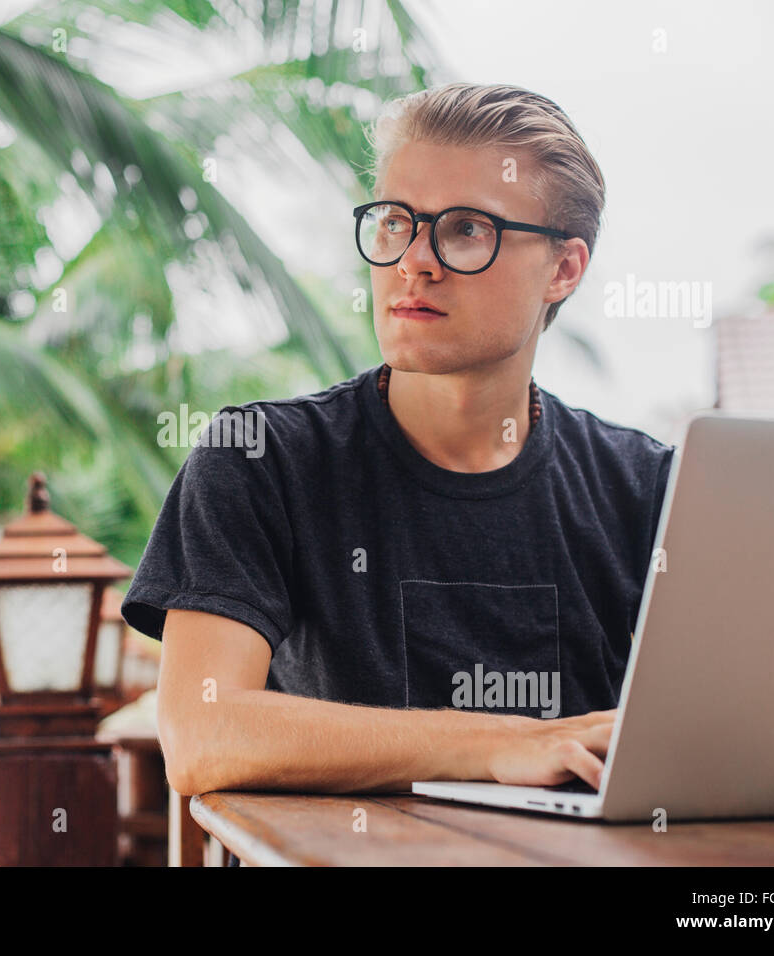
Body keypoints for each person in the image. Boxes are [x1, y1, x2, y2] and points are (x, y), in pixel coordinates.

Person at [120, 83, 675, 847]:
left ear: (564, 269)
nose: (414, 262)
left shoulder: (647, 490)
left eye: (467, 229)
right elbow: (201, 729)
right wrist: (501, 745)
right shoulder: (258, 461)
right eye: (395, 222)